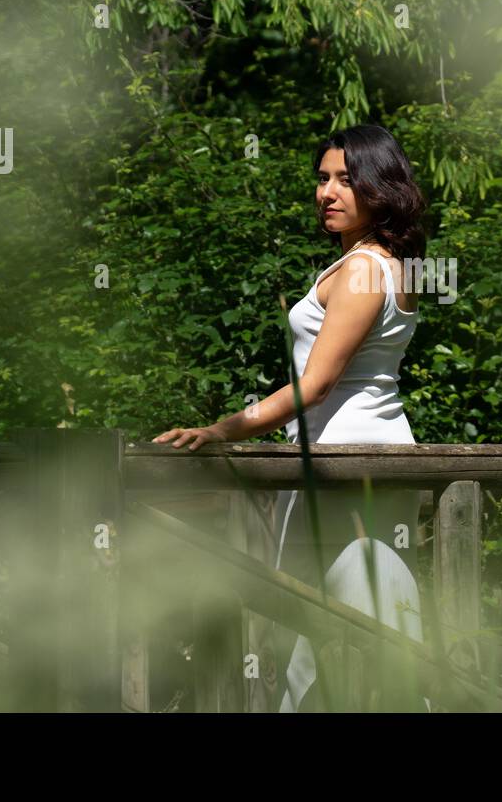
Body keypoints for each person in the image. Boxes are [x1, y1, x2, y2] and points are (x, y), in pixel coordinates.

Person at [154, 123, 429, 711]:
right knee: (354, 623)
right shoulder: (379, 262)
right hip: (361, 460)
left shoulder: (361, 270)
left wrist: (222, 429)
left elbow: (317, 383)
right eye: (322, 178)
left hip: (341, 469)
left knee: (329, 625)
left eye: (345, 181)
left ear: (379, 187)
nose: (326, 192)